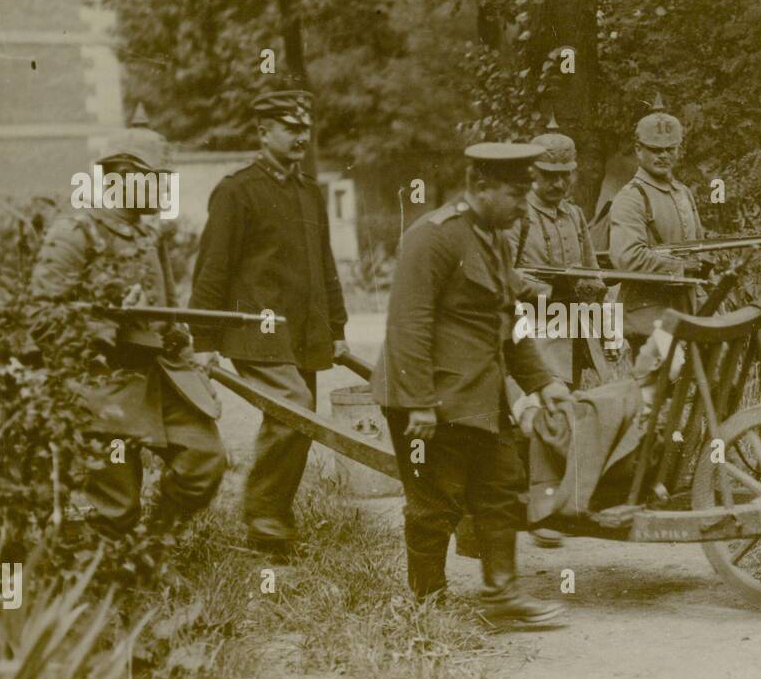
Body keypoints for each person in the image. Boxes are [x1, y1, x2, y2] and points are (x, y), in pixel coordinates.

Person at [372, 143, 572, 626]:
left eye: (526, 194)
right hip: (431, 399)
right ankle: (427, 603)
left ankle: (502, 597)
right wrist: (419, 403)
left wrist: (542, 381)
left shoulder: (494, 237)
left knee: (501, 490)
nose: (525, 205)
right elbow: (408, 323)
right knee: (434, 504)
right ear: (480, 188)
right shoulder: (433, 237)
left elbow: (510, 318)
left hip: (480, 395)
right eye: (515, 194)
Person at [30, 127, 226, 538]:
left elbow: (170, 319)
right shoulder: (75, 232)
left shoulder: (148, 236)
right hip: (103, 387)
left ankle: (154, 544)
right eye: (158, 179)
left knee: (204, 459)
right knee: (116, 505)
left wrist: (194, 369)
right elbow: (44, 319)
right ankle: (107, 575)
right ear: (122, 176)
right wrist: (108, 320)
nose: (164, 191)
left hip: (161, 378)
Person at [189, 89, 351, 557]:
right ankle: (263, 520)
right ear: (263, 132)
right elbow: (212, 267)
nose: (301, 137)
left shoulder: (308, 191)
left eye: (305, 128)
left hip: (302, 332)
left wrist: (336, 329)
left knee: (297, 422)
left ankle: (275, 522)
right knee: (294, 409)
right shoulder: (236, 191)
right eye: (289, 127)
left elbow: (324, 263)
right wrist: (204, 338)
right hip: (254, 330)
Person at [596, 95, 706, 347]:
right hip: (649, 317)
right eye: (655, 150)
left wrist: (703, 263)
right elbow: (627, 257)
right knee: (658, 386)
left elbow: (697, 246)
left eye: (670, 149)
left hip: (687, 310)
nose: (663, 156)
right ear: (638, 150)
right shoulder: (632, 197)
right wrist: (681, 267)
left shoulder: (683, 192)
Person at [505, 116, 607, 387]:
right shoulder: (517, 215)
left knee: (572, 404)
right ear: (531, 172)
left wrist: (593, 287)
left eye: (565, 175)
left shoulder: (573, 214)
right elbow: (504, 275)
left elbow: (591, 268)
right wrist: (549, 293)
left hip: (572, 328)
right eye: (549, 176)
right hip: (532, 331)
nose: (559, 184)